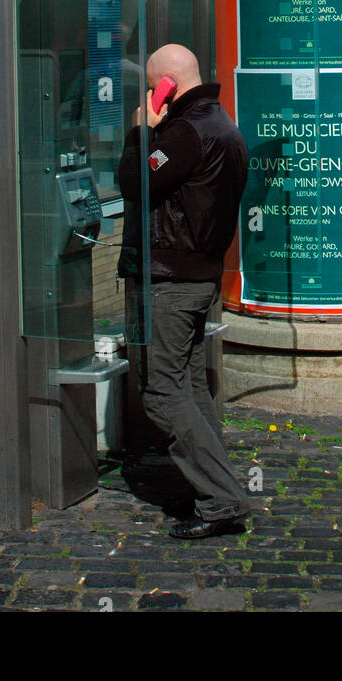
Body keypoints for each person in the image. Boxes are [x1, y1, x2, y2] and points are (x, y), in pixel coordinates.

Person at [117, 43, 251, 540]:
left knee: (162, 391)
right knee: (192, 386)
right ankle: (215, 489)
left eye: (154, 87)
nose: (152, 96)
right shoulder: (222, 124)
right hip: (200, 278)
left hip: (171, 280)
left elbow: (133, 180)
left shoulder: (184, 133)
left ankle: (222, 498)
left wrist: (141, 131)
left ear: (167, 84)